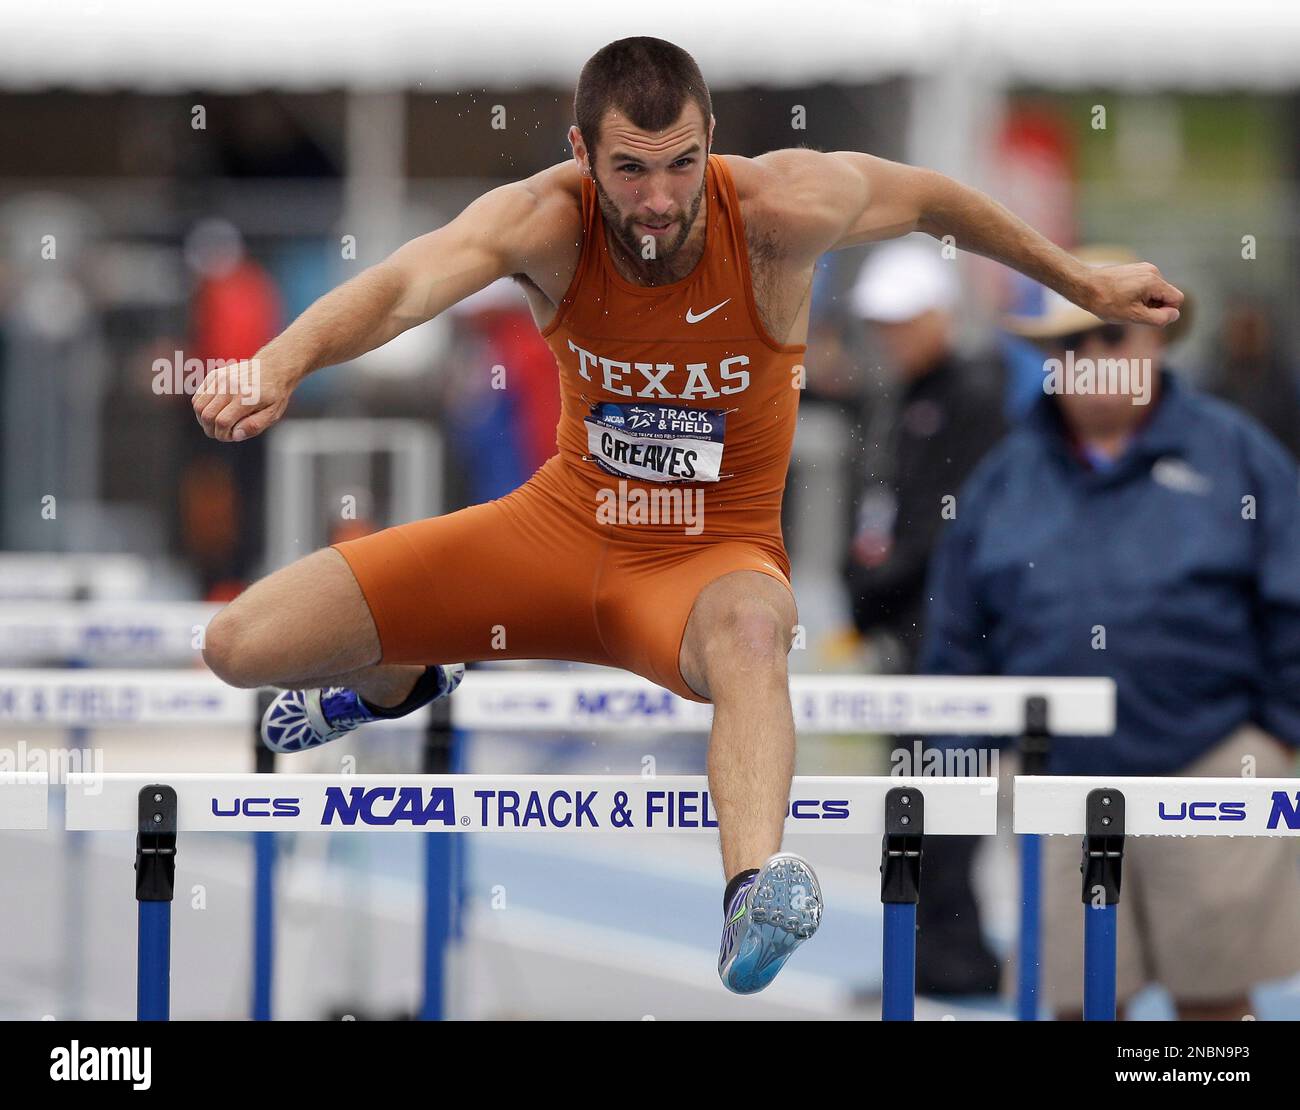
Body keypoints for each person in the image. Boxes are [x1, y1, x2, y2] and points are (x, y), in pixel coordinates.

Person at [194, 39, 1182, 996]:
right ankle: (397, 676)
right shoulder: (544, 218)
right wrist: (281, 361)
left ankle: (754, 893)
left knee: (756, 632)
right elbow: (406, 284)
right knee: (240, 645)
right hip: (557, 535)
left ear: (710, 138)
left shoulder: (782, 207)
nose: (658, 200)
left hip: (710, 563)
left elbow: (932, 200)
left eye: (681, 165)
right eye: (629, 171)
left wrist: (1077, 280)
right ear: (582, 154)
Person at [922, 248, 1300, 1019]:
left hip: (1210, 760)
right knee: (1074, 1002)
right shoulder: (1004, 478)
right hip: (1057, 776)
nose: (1093, 357)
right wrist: (966, 752)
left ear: (1157, 341)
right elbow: (958, 633)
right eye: (1071, 343)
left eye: (1111, 337)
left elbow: (1292, 598)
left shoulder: (1238, 455)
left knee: (1214, 1002)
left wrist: (1282, 736)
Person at [843, 237, 1006, 996]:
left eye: (904, 321)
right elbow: (894, 513)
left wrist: (878, 581)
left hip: (955, 639)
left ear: (940, 314)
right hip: (914, 634)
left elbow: (947, 528)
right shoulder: (905, 396)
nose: (891, 337)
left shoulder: (974, 393)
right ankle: (933, 955)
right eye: (883, 324)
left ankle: (955, 957)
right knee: (914, 799)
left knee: (945, 797)